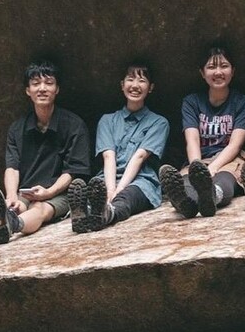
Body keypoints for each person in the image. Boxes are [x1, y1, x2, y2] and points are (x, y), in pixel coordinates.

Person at [0, 61, 90, 245]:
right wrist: (11, 195)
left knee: (40, 208)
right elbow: (12, 168)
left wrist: (49, 192)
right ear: (27, 90)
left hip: (59, 193)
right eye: (36, 84)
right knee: (18, 205)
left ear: (57, 89)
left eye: (49, 83)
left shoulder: (74, 125)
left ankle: (10, 224)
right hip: (27, 191)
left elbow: (73, 171)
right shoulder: (17, 128)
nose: (42, 89)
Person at [158, 44, 245, 217]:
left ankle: (213, 196)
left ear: (233, 71)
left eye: (224, 66)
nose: (218, 72)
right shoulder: (192, 102)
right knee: (186, 182)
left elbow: (234, 145)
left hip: (230, 158)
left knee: (226, 178)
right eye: (211, 67)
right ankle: (187, 204)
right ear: (202, 72)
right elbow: (192, 140)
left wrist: (212, 168)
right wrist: (197, 167)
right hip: (200, 159)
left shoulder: (244, 102)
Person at [68, 60, 170, 232]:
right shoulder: (107, 120)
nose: (135, 85)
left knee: (127, 197)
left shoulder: (159, 122)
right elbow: (108, 156)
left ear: (151, 87)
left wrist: (119, 189)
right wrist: (110, 189)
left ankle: (108, 214)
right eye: (130, 79)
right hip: (107, 179)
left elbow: (139, 157)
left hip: (141, 180)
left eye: (142, 81)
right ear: (122, 85)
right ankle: (83, 215)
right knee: (94, 191)